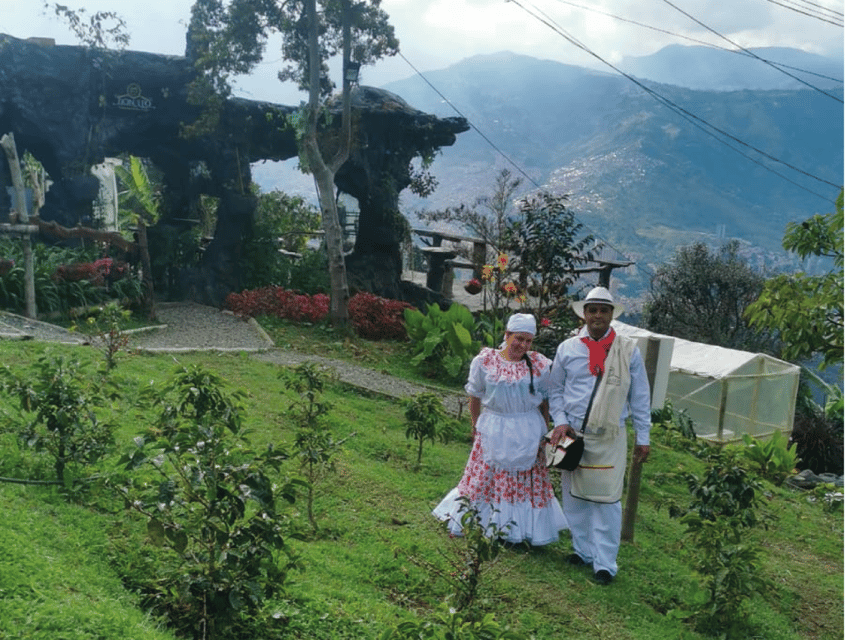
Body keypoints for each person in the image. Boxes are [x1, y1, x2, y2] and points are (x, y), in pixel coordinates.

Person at [433, 313, 568, 546]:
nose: (523, 345)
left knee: (524, 481)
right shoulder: (485, 361)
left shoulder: (538, 364)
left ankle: (520, 530)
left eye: (528, 340)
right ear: (506, 335)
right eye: (519, 338)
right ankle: (479, 522)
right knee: (486, 477)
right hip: (494, 426)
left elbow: (544, 400)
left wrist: (544, 432)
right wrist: (476, 425)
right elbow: (474, 396)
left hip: (528, 428)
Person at [547, 286, 651, 585]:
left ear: (610, 315)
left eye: (603, 310)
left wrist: (643, 437)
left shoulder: (627, 350)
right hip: (573, 434)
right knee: (574, 496)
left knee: (606, 501)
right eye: (592, 309)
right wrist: (561, 422)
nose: (597, 315)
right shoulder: (568, 348)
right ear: (584, 313)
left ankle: (605, 564)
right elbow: (555, 389)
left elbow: (640, 396)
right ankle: (582, 551)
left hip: (609, 435)